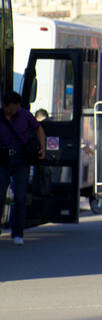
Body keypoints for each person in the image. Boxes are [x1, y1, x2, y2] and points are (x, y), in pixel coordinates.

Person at [0, 92, 47, 244]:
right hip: (2, 160)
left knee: (20, 197)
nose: (14, 112)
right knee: (0, 195)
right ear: (5, 106)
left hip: (21, 160)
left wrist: (43, 148)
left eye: (16, 109)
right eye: (12, 110)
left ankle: (17, 233)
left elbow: (38, 129)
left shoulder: (24, 115)